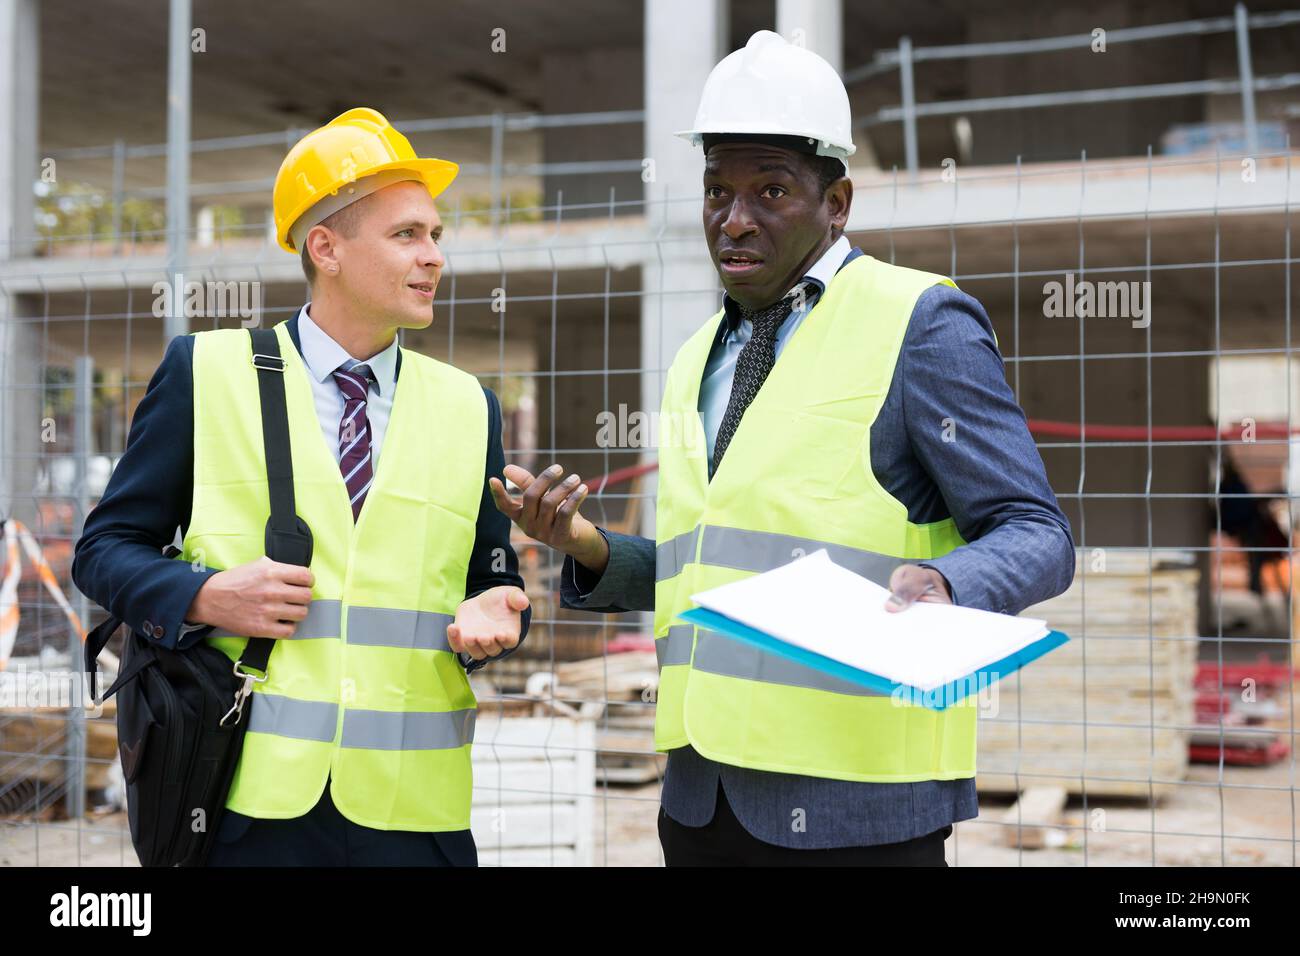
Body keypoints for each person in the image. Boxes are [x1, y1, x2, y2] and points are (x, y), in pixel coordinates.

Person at [490, 32, 1075, 866]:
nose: (735, 219)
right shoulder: (698, 358)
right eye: (716, 192)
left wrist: (949, 583)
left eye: (771, 190)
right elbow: (710, 568)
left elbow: (1037, 531)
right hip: (699, 803)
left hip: (857, 813)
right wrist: (582, 545)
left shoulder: (919, 323)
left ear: (837, 202)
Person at [73, 108, 530, 867]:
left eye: (436, 237)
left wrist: (498, 609)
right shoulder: (207, 372)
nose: (434, 258)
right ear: (327, 248)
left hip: (417, 816)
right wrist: (202, 594)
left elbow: (489, 576)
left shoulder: (467, 404)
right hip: (249, 810)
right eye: (407, 235)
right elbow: (103, 550)